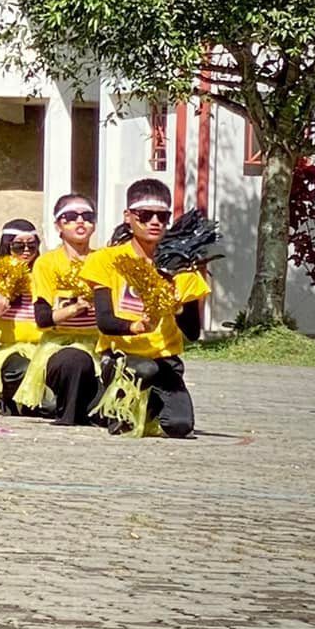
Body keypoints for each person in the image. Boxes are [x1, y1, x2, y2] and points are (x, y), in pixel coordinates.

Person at [84, 179, 209, 438]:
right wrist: (135, 327)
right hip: (121, 356)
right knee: (144, 370)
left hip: (164, 361)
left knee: (179, 426)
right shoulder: (106, 259)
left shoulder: (180, 267)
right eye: (145, 215)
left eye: (162, 216)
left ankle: (148, 405)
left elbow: (193, 333)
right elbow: (104, 321)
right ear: (128, 216)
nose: (154, 222)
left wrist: (177, 301)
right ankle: (107, 398)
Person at [23, 194, 104, 426]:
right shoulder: (47, 263)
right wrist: (75, 308)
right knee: (74, 360)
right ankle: (66, 408)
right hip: (60, 345)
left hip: (100, 345)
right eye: (70, 217)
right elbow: (43, 319)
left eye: (87, 217)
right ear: (58, 225)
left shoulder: (105, 260)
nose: (80, 222)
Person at [0, 220, 44, 414]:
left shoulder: (43, 273)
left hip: (42, 348)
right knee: (22, 369)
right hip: (6, 350)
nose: (26, 251)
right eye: (19, 246)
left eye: (32, 245)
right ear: (7, 246)